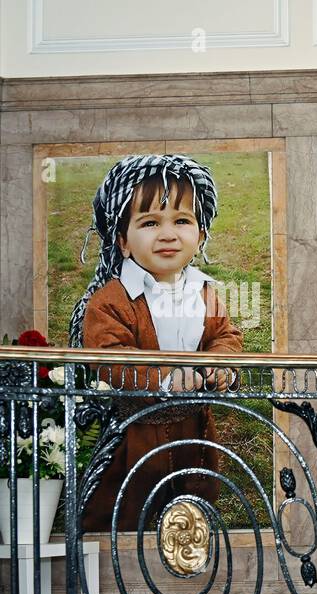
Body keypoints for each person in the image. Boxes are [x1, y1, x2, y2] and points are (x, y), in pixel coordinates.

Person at [72, 154, 243, 532]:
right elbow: (110, 356)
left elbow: (226, 335)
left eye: (182, 221)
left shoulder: (204, 291)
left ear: (200, 236)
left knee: (193, 509)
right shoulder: (112, 300)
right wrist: (165, 376)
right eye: (149, 222)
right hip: (138, 436)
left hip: (197, 431)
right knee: (131, 511)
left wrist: (221, 363)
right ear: (123, 241)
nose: (168, 234)